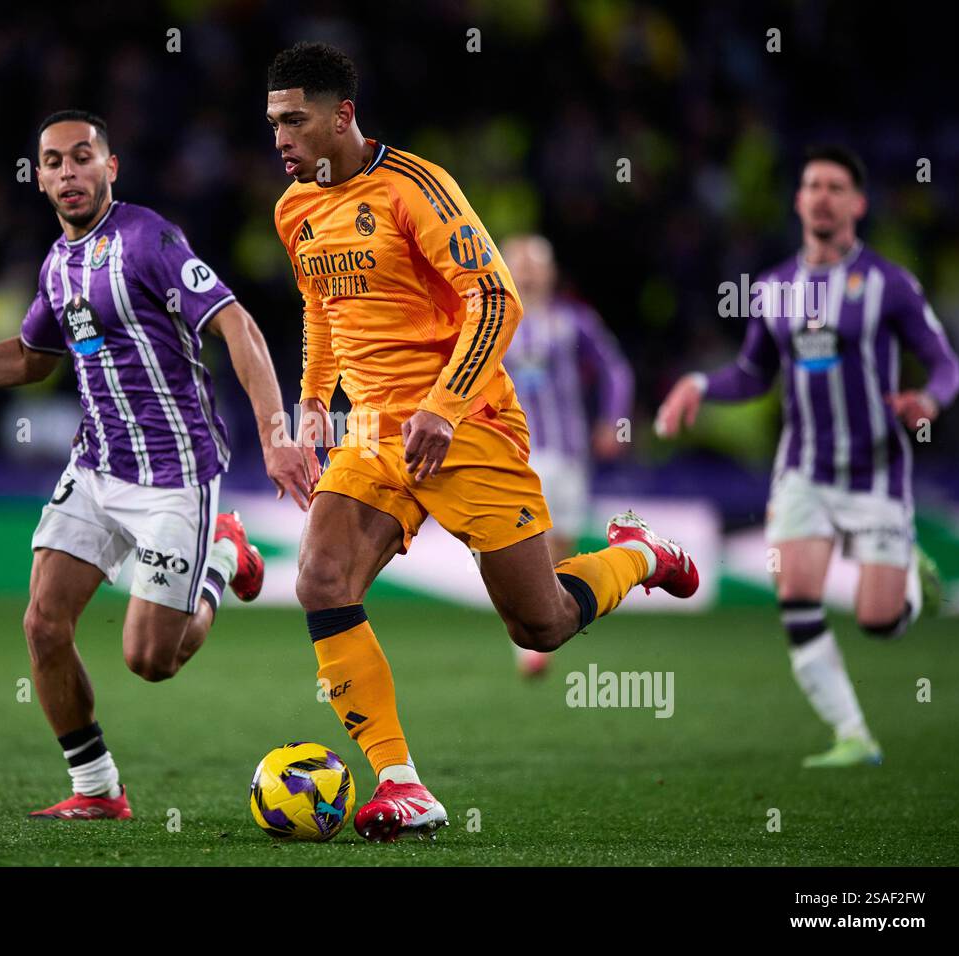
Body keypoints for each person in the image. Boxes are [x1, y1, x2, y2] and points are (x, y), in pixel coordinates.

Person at [267, 43, 698, 842]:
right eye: (273, 123)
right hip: (372, 434)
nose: (281, 138)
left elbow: (497, 299)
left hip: (466, 427)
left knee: (540, 625)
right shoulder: (294, 209)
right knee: (322, 579)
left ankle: (640, 555)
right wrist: (313, 401)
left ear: (342, 116)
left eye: (295, 120)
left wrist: (443, 404)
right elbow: (320, 307)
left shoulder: (416, 188)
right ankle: (402, 784)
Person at [0, 110, 312, 818]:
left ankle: (223, 556)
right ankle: (98, 788)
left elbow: (238, 324)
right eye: (53, 162)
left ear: (111, 167)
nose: (68, 172)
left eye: (82, 157)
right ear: (39, 179)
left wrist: (276, 435)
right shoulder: (56, 265)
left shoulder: (149, 240)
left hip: (175, 475)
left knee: (150, 660)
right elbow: (30, 358)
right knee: (43, 624)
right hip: (97, 467)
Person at [656, 145, 959, 768]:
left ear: (858, 203)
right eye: (812, 185)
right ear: (798, 201)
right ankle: (853, 734)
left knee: (878, 620)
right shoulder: (773, 288)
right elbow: (753, 373)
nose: (822, 196)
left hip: (876, 472)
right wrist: (699, 384)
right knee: (796, 595)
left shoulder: (890, 284)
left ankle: (911, 582)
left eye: (835, 187)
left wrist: (930, 399)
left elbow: (945, 363)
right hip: (802, 469)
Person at [500, 234, 634, 677]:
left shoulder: (574, 321)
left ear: (551, 272)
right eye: (519, 263)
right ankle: (528, 641)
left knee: (561, 546)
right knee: (528, 540)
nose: (527, 272)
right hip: (518, 452)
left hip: (570, 450)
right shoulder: (492, 320)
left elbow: (615, 369)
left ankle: (542, 622)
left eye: (535, 263)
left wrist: (613, 419)